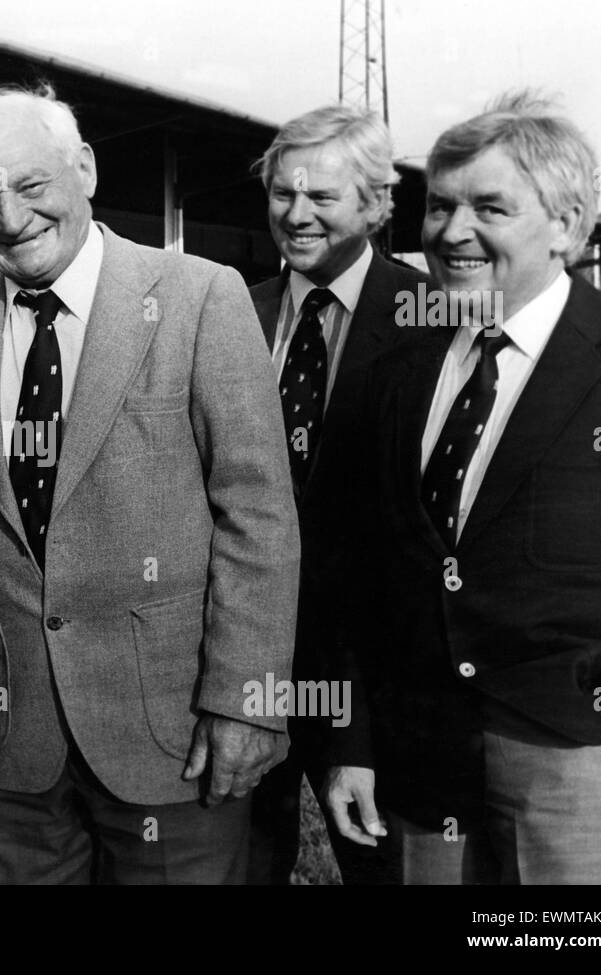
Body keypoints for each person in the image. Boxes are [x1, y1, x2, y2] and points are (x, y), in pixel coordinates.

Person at [0, 85, 300, 884]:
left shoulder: (199, 297)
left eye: (31, 186)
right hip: (18, 743)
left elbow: (258, 514)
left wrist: (247, 699)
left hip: (174, 736)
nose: (10, 219)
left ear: (84, 168)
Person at [324, 92, 601, 884]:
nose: (452, 232)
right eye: (440, 206)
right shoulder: (392, 364)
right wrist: (349, 742)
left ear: (567, 225)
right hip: (419, 759)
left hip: (575, 755)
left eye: (489, 208)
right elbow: (347, 570)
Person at [247, 104, 425, 884]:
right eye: (284, 194)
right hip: (246, 667)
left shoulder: (434, 319)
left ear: (378, 204)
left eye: (323, 197)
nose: (297, 214)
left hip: (378, 682)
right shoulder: (229, 312)